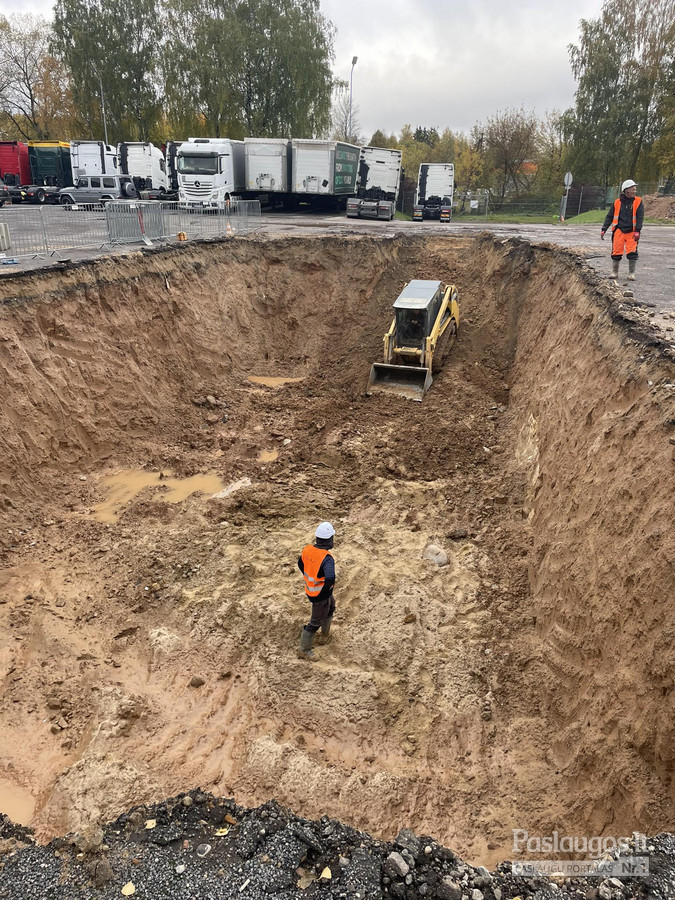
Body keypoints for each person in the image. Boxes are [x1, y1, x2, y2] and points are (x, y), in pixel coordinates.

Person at [297, 522, 336, 660]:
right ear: (330, 539)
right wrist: (325, 591)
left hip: (313, 589)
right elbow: (330, 577)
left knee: (331, 607)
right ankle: (304, 649)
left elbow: (300, 563)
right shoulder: (326, 558)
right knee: (315, 621)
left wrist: (309, 577)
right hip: (320, 594)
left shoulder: (307, 550)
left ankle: (324, 636)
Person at [601, 179, 644, 282]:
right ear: (626, 190)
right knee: (616, 252)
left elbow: (640, 217)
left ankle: (631, 273)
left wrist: (637, 230)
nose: (635, 191)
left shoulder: (638, 201)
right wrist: (604, 229)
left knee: (632, 252)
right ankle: (614, 272)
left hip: (632, 232)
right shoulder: (617, 203)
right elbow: (609, 216)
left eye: (635, 189)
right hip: (619, 231)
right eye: (633, 189)